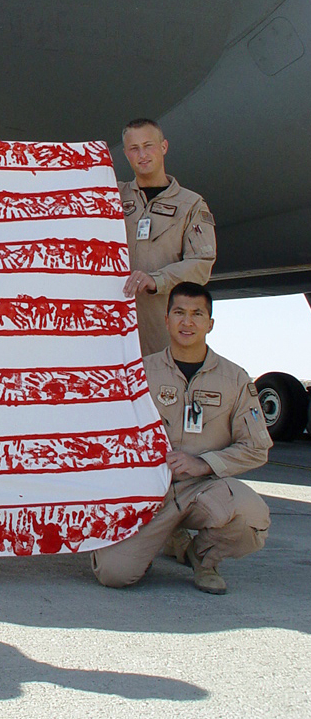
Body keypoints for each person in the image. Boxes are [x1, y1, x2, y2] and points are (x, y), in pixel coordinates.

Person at [91, 282, 271, 594]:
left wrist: (204, 464)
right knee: (114, 574)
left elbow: (256, 448)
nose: (187, 322)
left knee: (252, 518)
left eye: (196, 314)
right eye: (179, 313)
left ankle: (203, 557)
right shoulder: (139, 372)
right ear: (166, 319)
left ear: (209, 324)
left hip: (203, 488)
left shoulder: (235, 378)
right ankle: (155, 542)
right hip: (148, 493)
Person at [119, 118, 216, 356]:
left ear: (163, 147)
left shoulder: (190, 204)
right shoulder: (113, 197)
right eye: (134, 149)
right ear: (126, 154)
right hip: (115, 333)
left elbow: (201, 265)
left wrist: (156, 280)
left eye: (148, 145)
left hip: (160, 334)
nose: (142, 154)